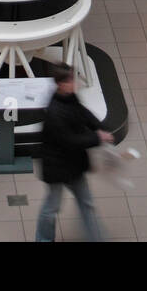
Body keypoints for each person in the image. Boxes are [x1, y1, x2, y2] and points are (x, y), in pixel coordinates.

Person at [34, 63, 113, 242]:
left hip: (72, 164)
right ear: (61, 84)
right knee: (52, 208)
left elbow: (83, 113)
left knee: (85, 203)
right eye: (70, 80)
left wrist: (99, 128)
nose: (74, 83)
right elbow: (69, 140)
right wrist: (97, 138)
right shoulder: (55, 112)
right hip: (57, 167)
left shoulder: (69, 98)